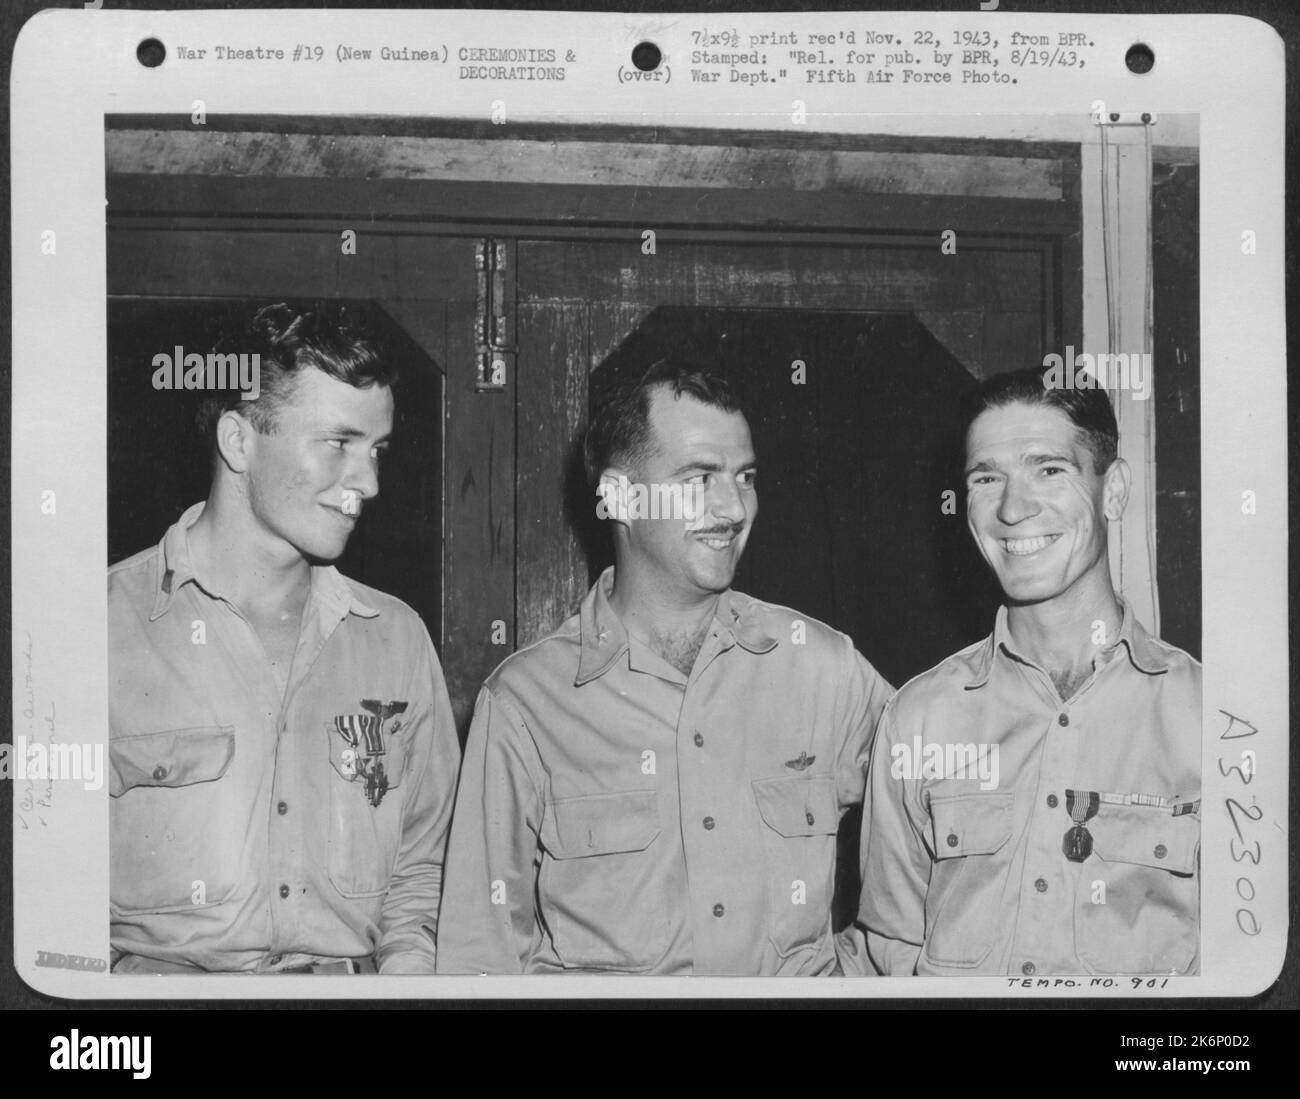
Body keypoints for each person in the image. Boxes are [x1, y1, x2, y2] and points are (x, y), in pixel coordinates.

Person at [436, 360, 892, 975]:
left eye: (746, 477)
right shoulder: (524, 705)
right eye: (700, 477)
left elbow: (944, 798)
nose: (733, 508)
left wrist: (871, 970)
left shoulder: (822, 667)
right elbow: (478, 953)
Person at [109, 303, 460, 974]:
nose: (369, 483)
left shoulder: (397, 641)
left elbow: (423, 876)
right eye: (338, 443)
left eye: (377, 450)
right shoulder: (99, 629)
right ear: (239, 441)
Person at [859, 366, 1200, 976]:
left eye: (1049, 469)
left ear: (1113, 490)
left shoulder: (1207, 717)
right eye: (987, 477)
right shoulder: (918, 718)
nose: (1013, 509)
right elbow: (891, 946)